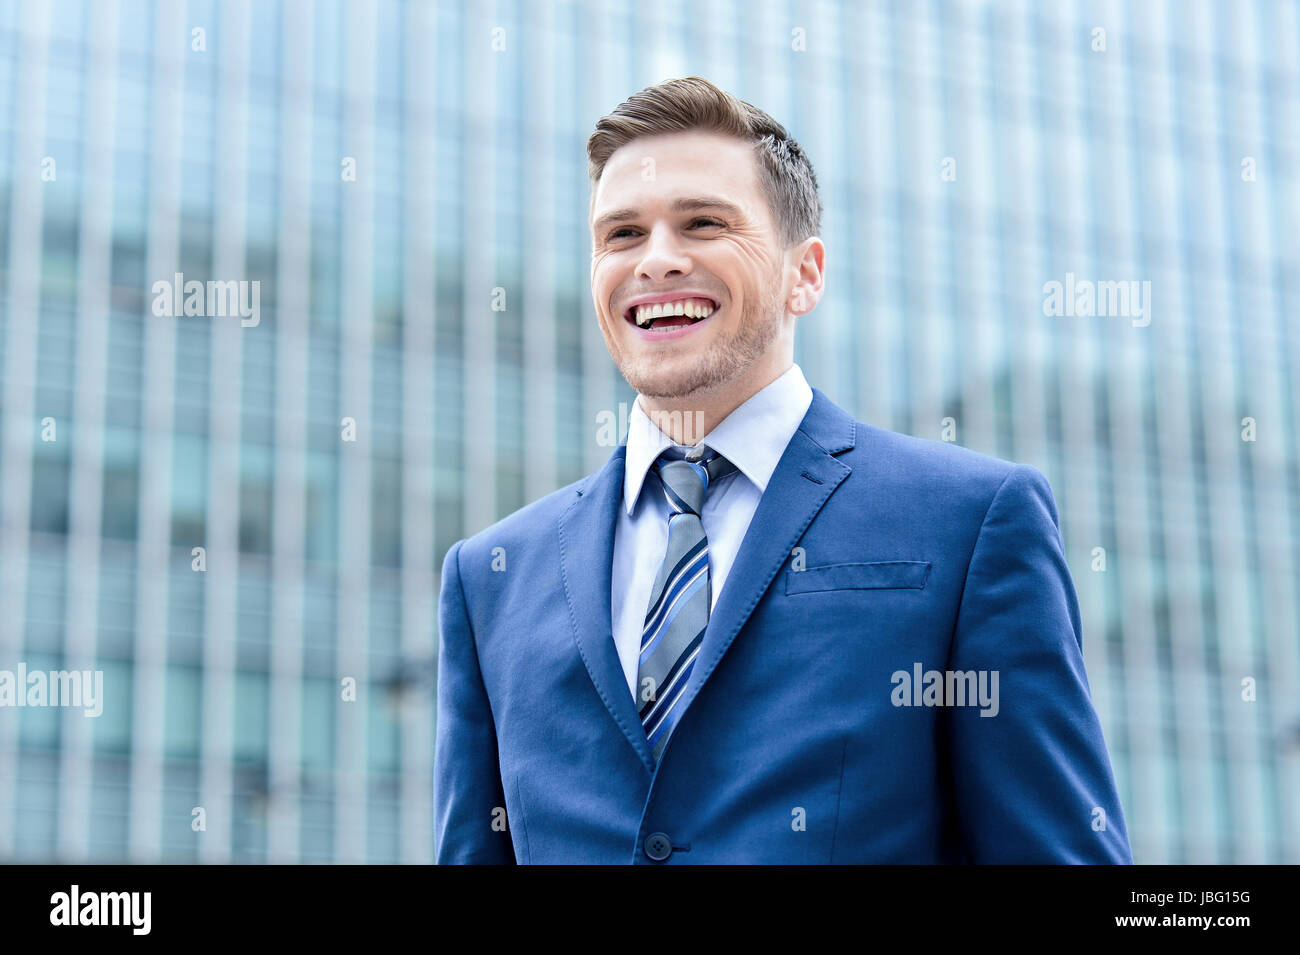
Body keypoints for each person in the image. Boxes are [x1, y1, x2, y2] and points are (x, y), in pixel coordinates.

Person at [434, 76, 1132, 864]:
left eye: (703, 222)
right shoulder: (489, 576)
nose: (656, 261)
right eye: (621, 235)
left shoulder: (970, 520)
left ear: (806, 272)